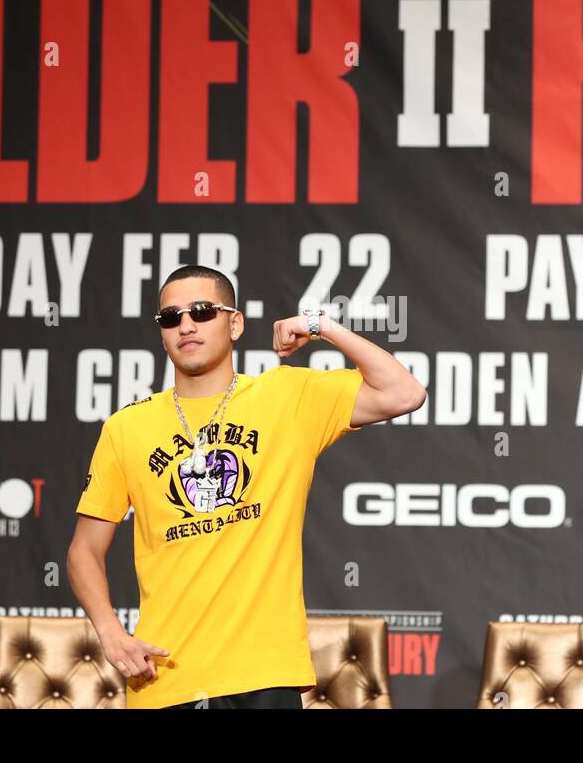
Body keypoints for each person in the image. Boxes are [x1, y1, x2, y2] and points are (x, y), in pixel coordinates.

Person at [67, 265, 427, 709]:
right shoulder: (127, 429)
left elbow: (403, 393)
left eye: (202, 311)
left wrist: (320, 326)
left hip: (265, 675)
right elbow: (83, 550)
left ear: (234, 322)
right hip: (165, 678)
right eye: (171, 317)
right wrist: (110, 634)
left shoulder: (288, 398)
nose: (186, 325)